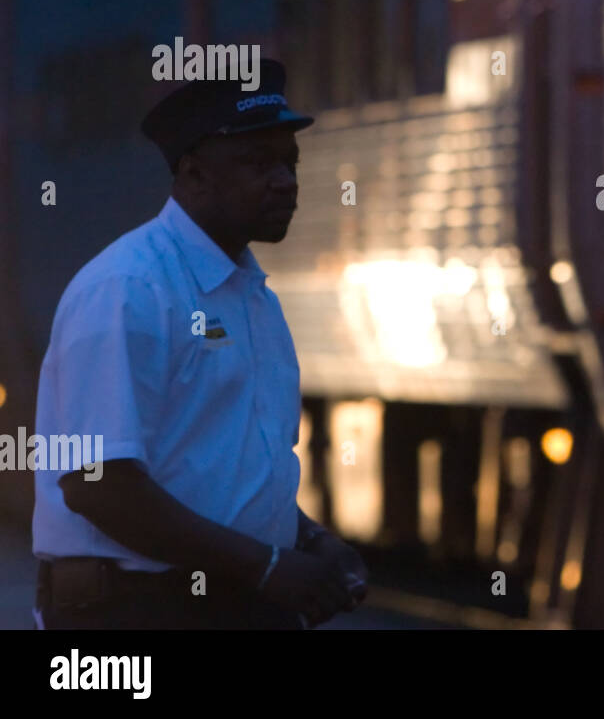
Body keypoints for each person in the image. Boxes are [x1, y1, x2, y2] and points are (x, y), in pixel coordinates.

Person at [31, 57, 367, 629]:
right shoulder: (127, 289)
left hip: (225, 607)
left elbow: (228, 470)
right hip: (129, 616)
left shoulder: (250, 295)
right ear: (193, 175)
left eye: (290, 163)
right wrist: (265, 567)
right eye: (257, 164)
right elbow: (98, 484)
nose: (284, 181)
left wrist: (308, 537)